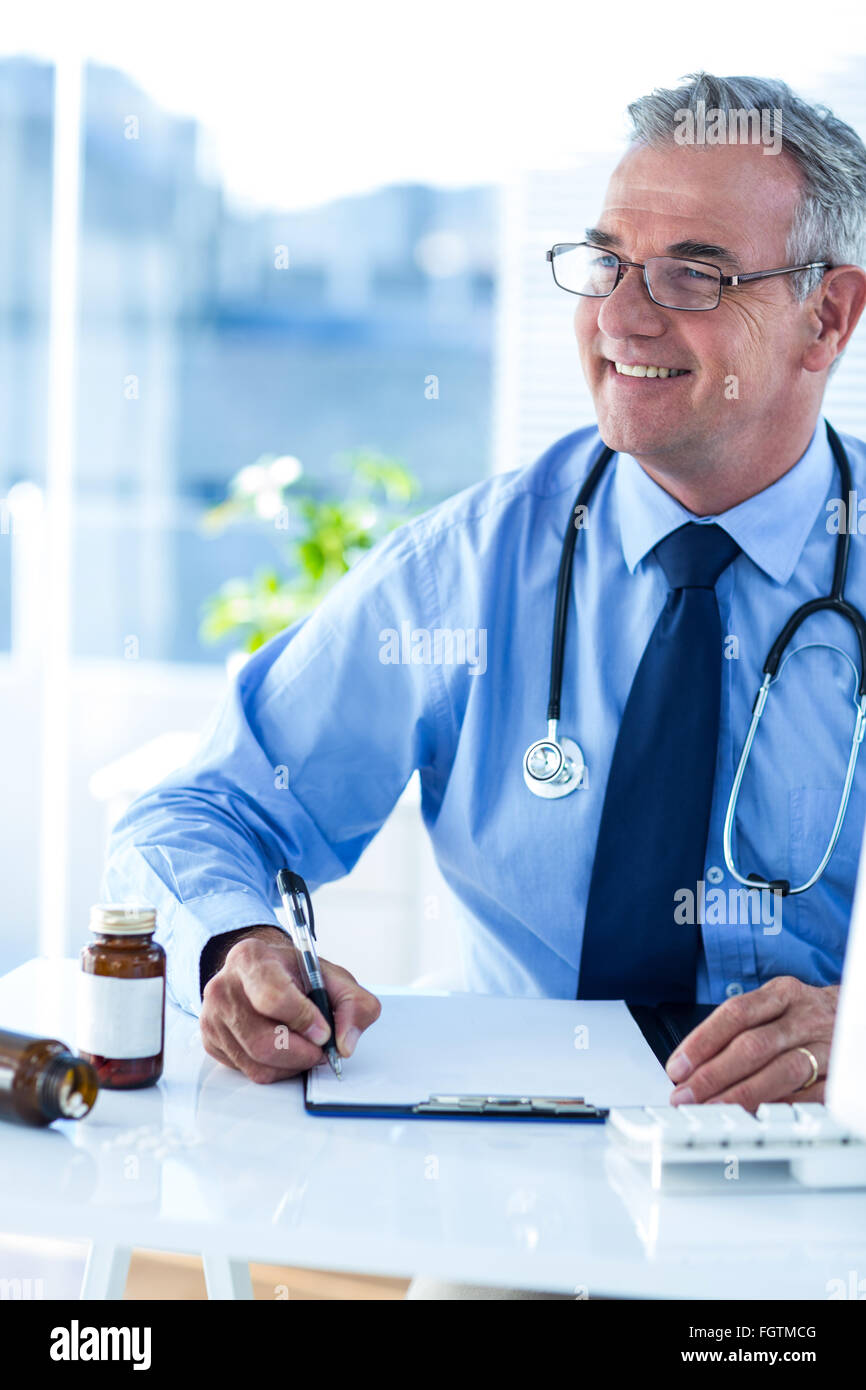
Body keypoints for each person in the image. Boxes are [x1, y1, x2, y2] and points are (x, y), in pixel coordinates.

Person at [104, 71, 866, 1297]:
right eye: (606, 260)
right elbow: (200, 810)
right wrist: (235, 943)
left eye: (693, 270)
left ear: (827, 317)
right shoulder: (468, 569)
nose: (622, 314)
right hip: (512, 1186)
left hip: (826, 1184)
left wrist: (865, 1030)